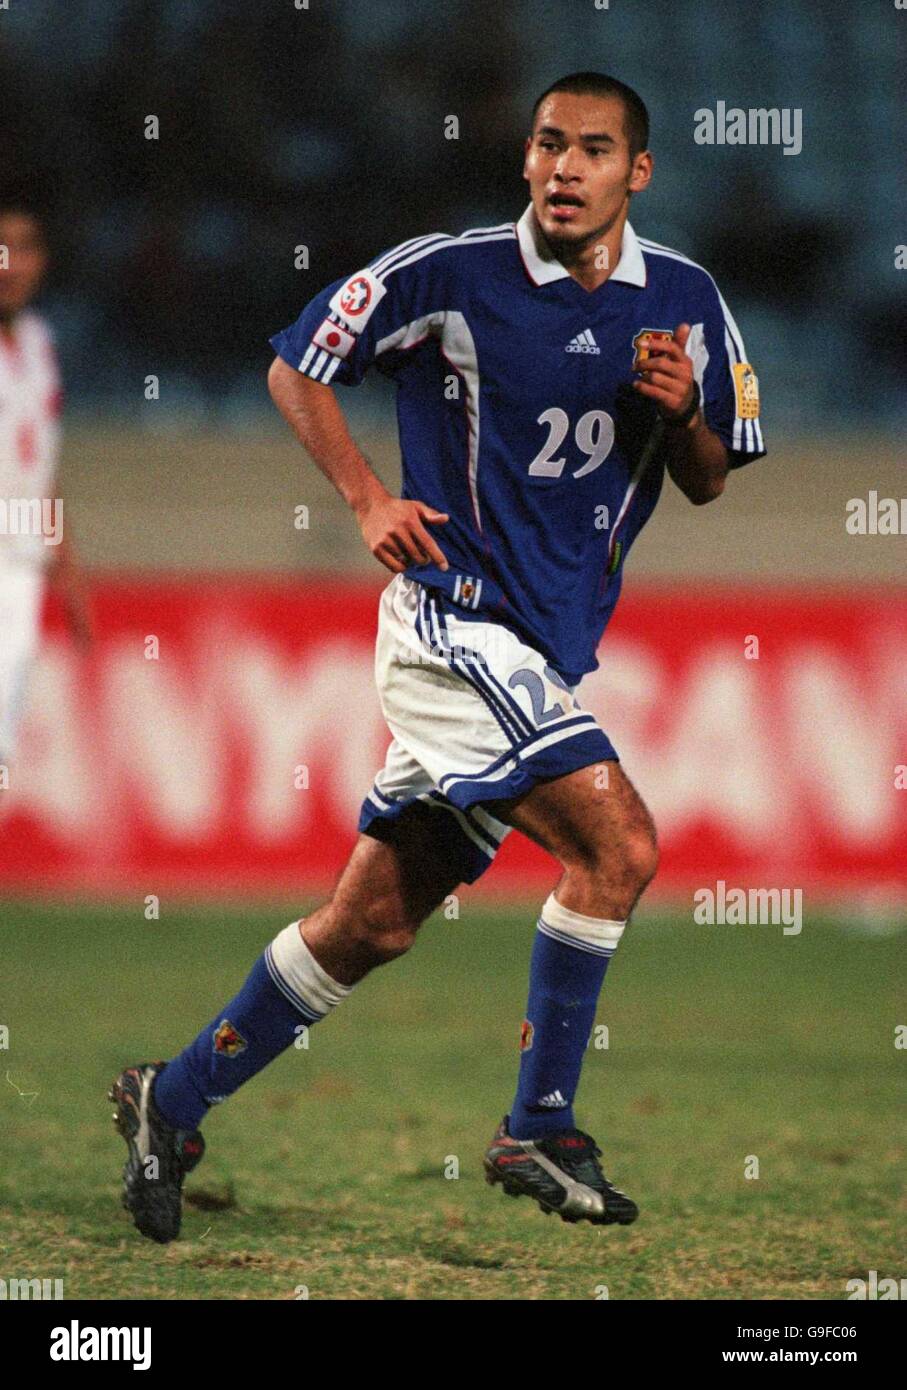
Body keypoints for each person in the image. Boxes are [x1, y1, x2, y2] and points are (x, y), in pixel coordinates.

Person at [110, 72, 765, 1243]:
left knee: (373, 923)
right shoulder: (448, 273)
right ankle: (541, 1126)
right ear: (523, 160)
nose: (565, 168)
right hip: (451, 623)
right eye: (548, 145)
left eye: (594, 150)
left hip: (543, 657)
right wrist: (366, 498)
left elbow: (712, 478)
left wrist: (685, 415)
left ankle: (170, 1100)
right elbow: (294, 363)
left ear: (638, 173)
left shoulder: (689, 299)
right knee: (619, 846)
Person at [0, 191, 91, 779]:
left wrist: (65, 561)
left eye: (23, 248)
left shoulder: (37, 343)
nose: (10, 262)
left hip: (21, 566)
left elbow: (41, 468)